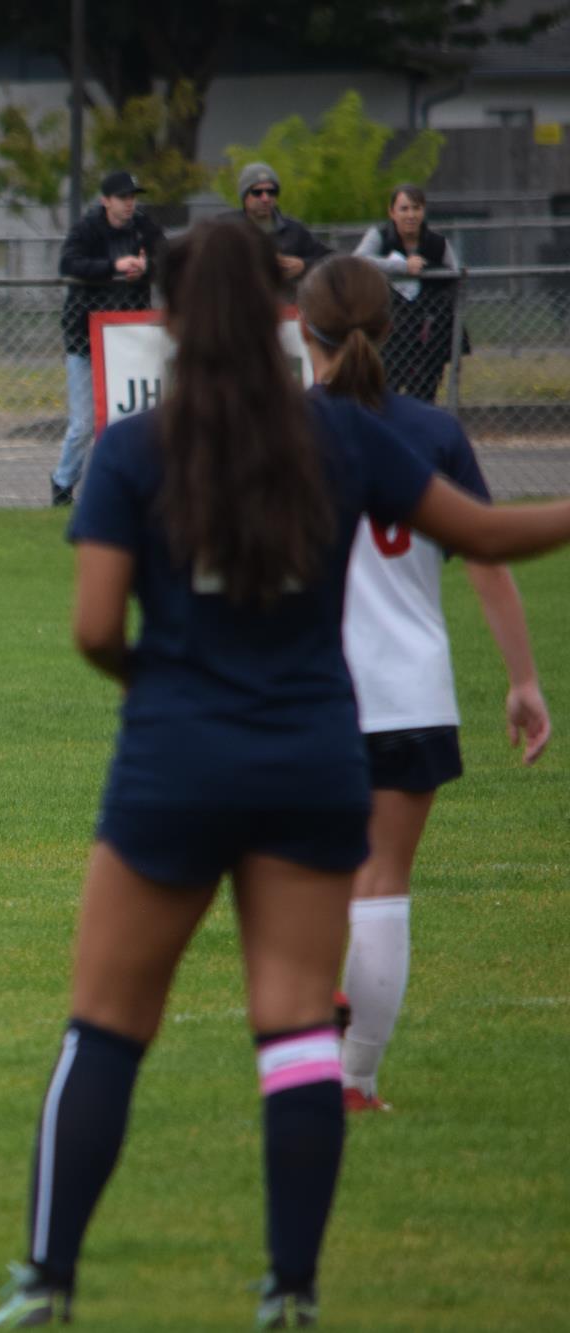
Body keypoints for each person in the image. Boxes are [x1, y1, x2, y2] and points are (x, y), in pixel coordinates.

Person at [0, 220, 570, 1330]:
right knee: (297, 1026)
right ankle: (288, 1291)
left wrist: (164, 679)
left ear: (162, 318)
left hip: (173, 757)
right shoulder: (339, 440)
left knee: (104, 1025)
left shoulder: (131, 449)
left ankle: (46, 1281)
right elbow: (482, 531)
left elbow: (94, 626)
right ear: (272, 316)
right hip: (311, 757)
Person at [302, 255, 551, 1113]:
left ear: (306, 333)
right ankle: (356, 1081)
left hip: (301, 690)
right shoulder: (430, 432)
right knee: (382, 887)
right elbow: (486, 555)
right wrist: (523, 679)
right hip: (408, 689)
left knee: (302, 882)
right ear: (393, 328)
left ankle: (301, 1070)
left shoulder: (279, 428)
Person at [49, 170, 168, 507]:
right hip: (84, 338)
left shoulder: (144, 226)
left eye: (133, 196)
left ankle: (127, 486)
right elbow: (68, 264)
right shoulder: (88, 227)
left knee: (133, 418)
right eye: (122, 197)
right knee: (84, 423)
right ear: (105, 200)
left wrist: (147, 269)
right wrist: (114, 266)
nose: (129, 203)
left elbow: (170, 259)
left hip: (129, 340)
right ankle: (62, 483)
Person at [353, 184, 464, 402]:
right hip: (388, 329)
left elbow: (456, 272)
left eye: (416, 208)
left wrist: (430, 273)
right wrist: (403, 268)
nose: (411, 215)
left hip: (426, 331)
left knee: (424, 392)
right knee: (385, 390)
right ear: (392, 212)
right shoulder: (380, 236)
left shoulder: (436, 242)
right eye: (404, 209)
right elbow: (358, 260)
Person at [223, 162, 331, 297]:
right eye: (257, 192)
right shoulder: (226, 228)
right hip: (239, 306)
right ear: (244, 196)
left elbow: (331, 259)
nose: (265, 198)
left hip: (286, 307)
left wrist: (304, 266)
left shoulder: (294, 230)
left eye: (271, 191)